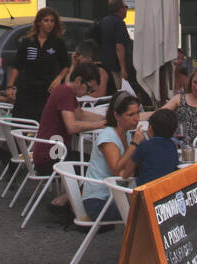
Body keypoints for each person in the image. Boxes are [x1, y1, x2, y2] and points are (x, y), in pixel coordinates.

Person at [80, 92, 143, 222]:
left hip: (115, 195)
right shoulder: (108, 137)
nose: (136, 119)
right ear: (116, 115)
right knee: (145, 208)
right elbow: (116, 170)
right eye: (131, 114)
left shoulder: (127, 135)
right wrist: (135, 144)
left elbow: (128, 169)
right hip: (98, 202)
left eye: (137, 113)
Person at [32, 62, 106, 169]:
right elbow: (71, 127)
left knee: (94, 162)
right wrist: (100, 124)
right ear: (79, 80)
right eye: (89, 89)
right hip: (51, 158)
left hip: (53, 154)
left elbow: (81, 115)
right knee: (97, 166)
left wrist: (107, 119)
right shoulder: (65, 93)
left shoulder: (66, 91)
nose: (88, 93)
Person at [5, 7, 69, 123]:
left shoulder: (58, 43)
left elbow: (65, 65)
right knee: (22, 121)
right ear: (39, 22)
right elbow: (17, 65)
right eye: (46, 20)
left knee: (44, 121)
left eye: (52, 21)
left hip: (47, 88)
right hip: (27, 88)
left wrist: (59, 78)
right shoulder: (28, 41)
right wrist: (10, 86)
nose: (49, 24)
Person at [132, 108, 180, 186]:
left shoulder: (144, 145)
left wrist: (134, 143)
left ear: (150, 128)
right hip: (166, 191)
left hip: (145, 192)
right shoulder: (173, 146)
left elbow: (127, 173)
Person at [95, 0, 134, 92]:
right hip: (116, 69)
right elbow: (119, 46)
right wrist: (123, 68)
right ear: (120, 9)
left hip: (104, 65)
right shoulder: (119, 23)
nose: (127, 10)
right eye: (126, 7)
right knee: (120, 93)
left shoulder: (103, 21)